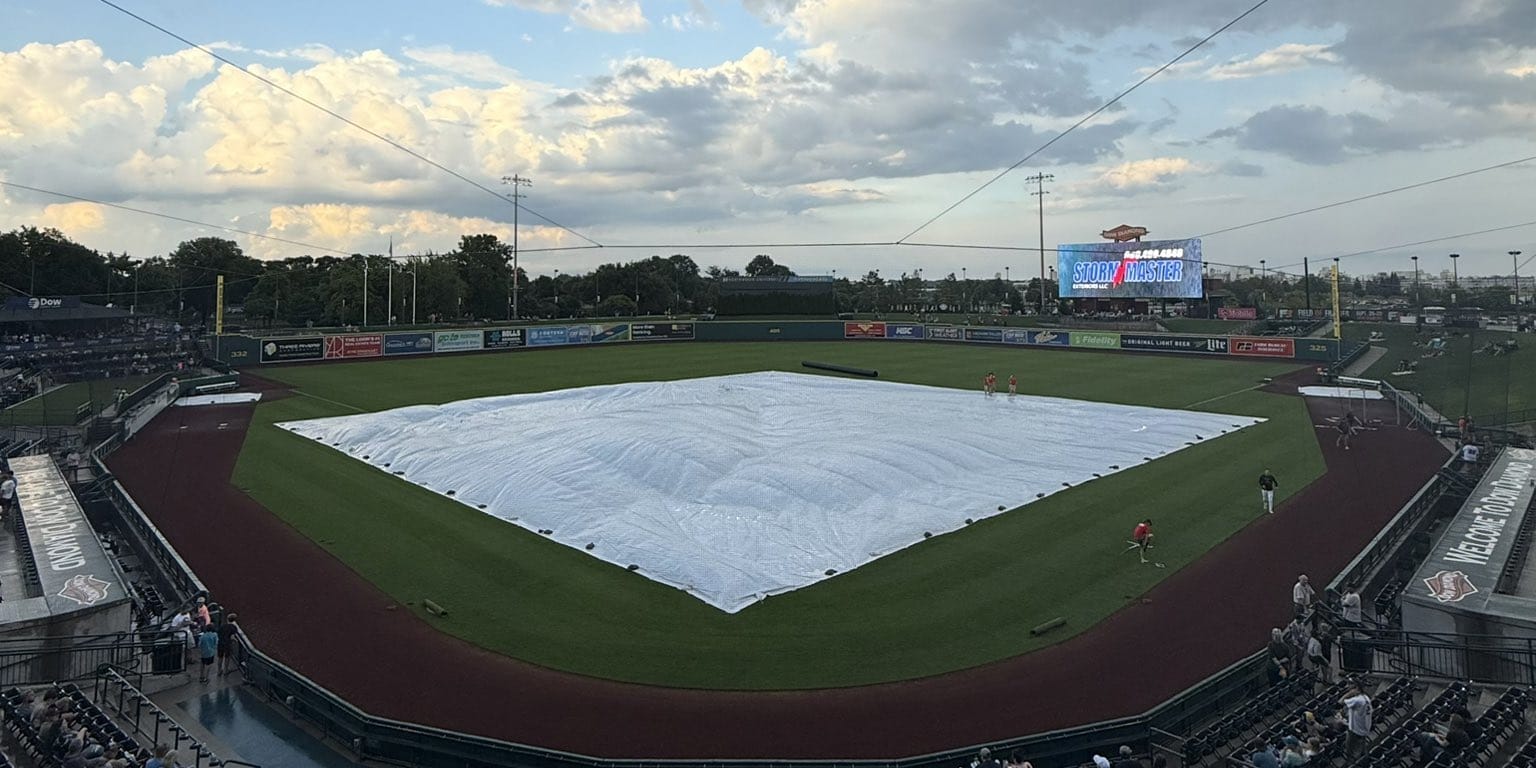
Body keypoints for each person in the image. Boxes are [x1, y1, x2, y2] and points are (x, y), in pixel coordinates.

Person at [1341, 685, 1373, 757]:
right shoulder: (1365, 697)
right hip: (1364, 727)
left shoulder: (1357, 700)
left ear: (1357, 689)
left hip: (1356, 729)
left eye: (1352, 689)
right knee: (1361, 747)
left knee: (1350, 749)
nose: (1349, 690)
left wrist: (1349, 694)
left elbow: (1341, 701)